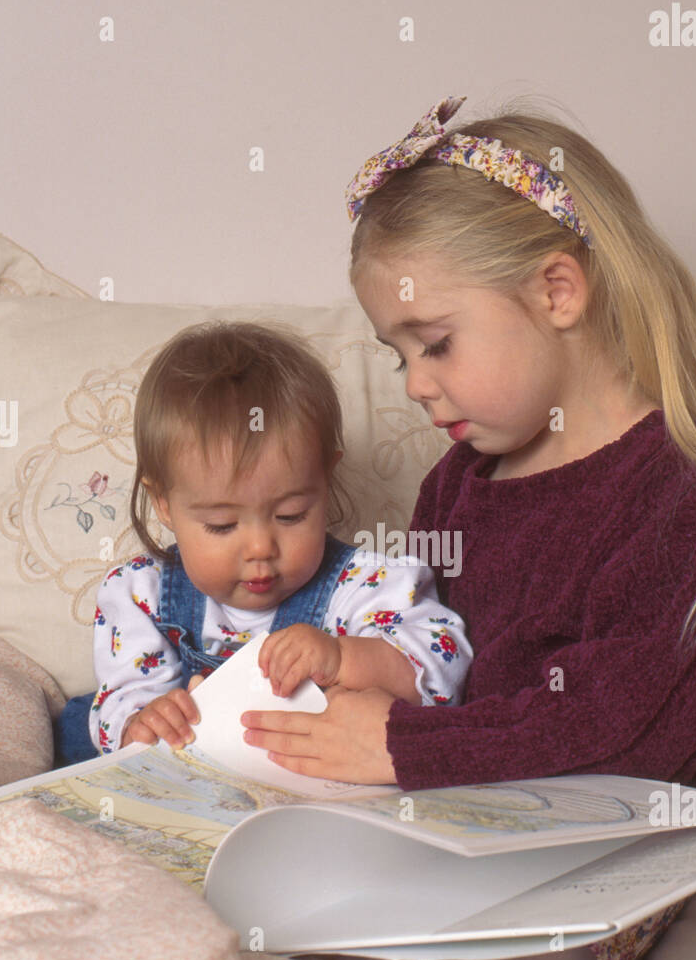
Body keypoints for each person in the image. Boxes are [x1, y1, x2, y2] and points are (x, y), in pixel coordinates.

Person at [240, 95, 696, 960]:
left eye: (437, 344)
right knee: (269, 890)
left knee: (494, 957)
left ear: (557, 292)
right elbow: (437, 649)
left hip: (606, 852)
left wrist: (402, 747)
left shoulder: (684, 501)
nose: (417, 385)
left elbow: (623, 738)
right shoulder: (458, 484)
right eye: (400, 357)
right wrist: (369, 676)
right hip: (464, 810)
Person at [56, 319, 471, 762]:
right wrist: (143, 722)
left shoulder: (363, 585)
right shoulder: (142, 593)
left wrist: (342, 658)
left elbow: (442, 672)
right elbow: (121, 700)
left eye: (290, 516)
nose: (260, 549)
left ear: (325, 481)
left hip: (303, 779)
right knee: (74, 726)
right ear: (163, 503)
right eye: (221, 525)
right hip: (188, 778)